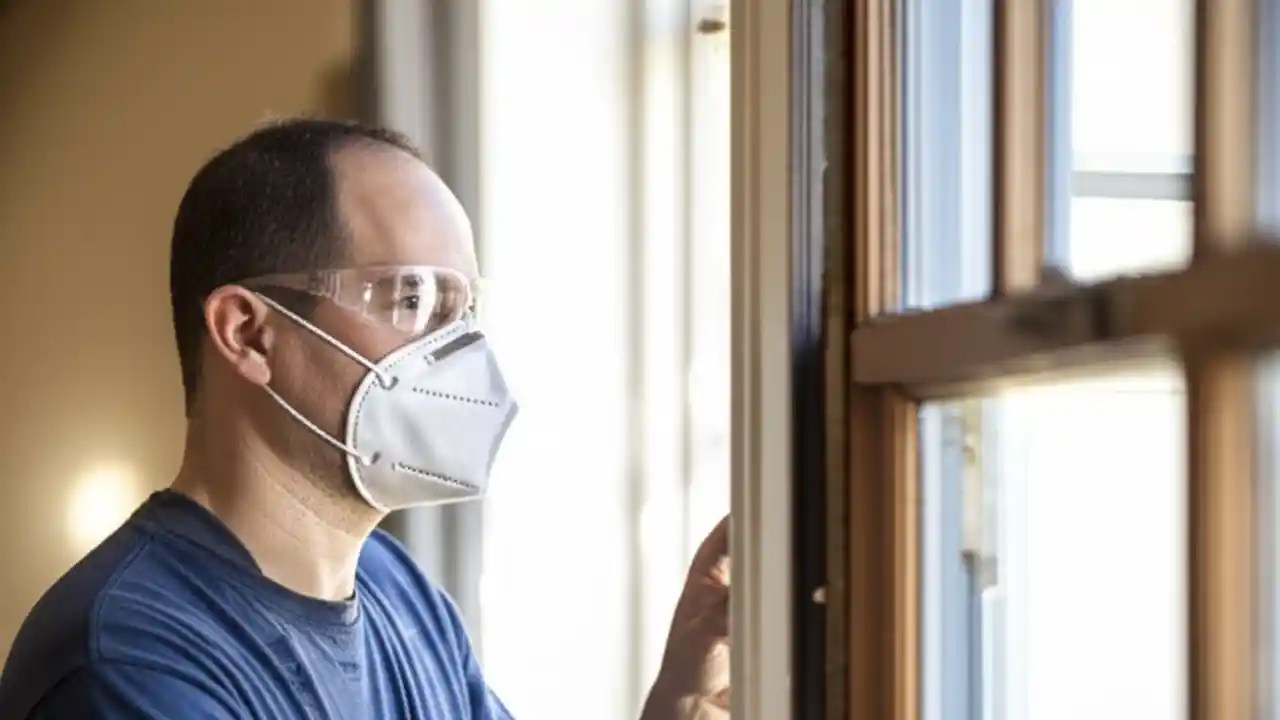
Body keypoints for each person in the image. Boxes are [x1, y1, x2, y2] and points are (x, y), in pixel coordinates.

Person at [0, 119, 729, 719]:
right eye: (415, 301)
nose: (460, 352)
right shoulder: (132, 660)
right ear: (249, 334)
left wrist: (679, 705)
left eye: (465, 311)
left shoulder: (396, 591)